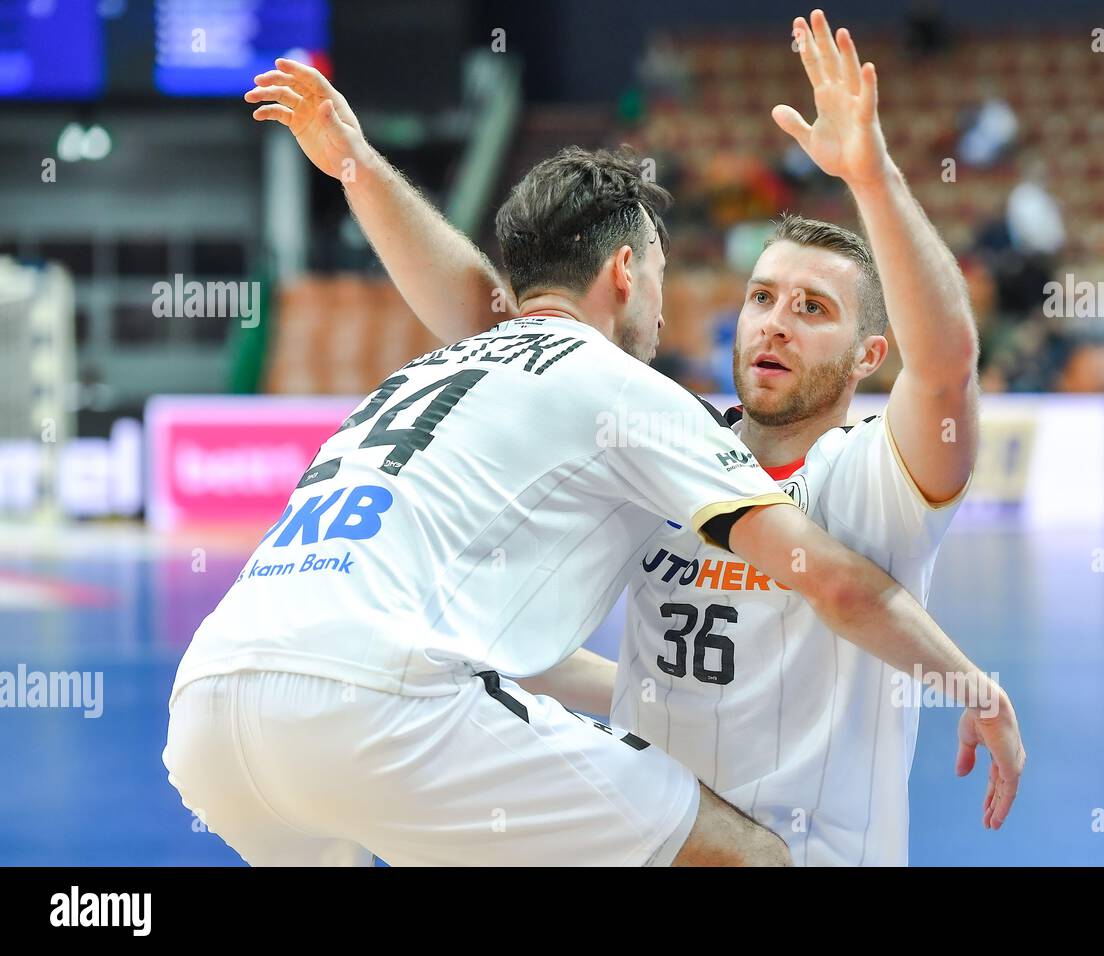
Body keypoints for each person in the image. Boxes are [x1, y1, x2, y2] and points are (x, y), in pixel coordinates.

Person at [231, 11, 1026, 867]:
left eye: (812, 308)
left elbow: (945, 366)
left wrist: (874, 178)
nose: (775, 323)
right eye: (762, 298)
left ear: (870, 355)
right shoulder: (662, 440)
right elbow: (505, 327)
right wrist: (360, 169)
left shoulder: (874, 474)